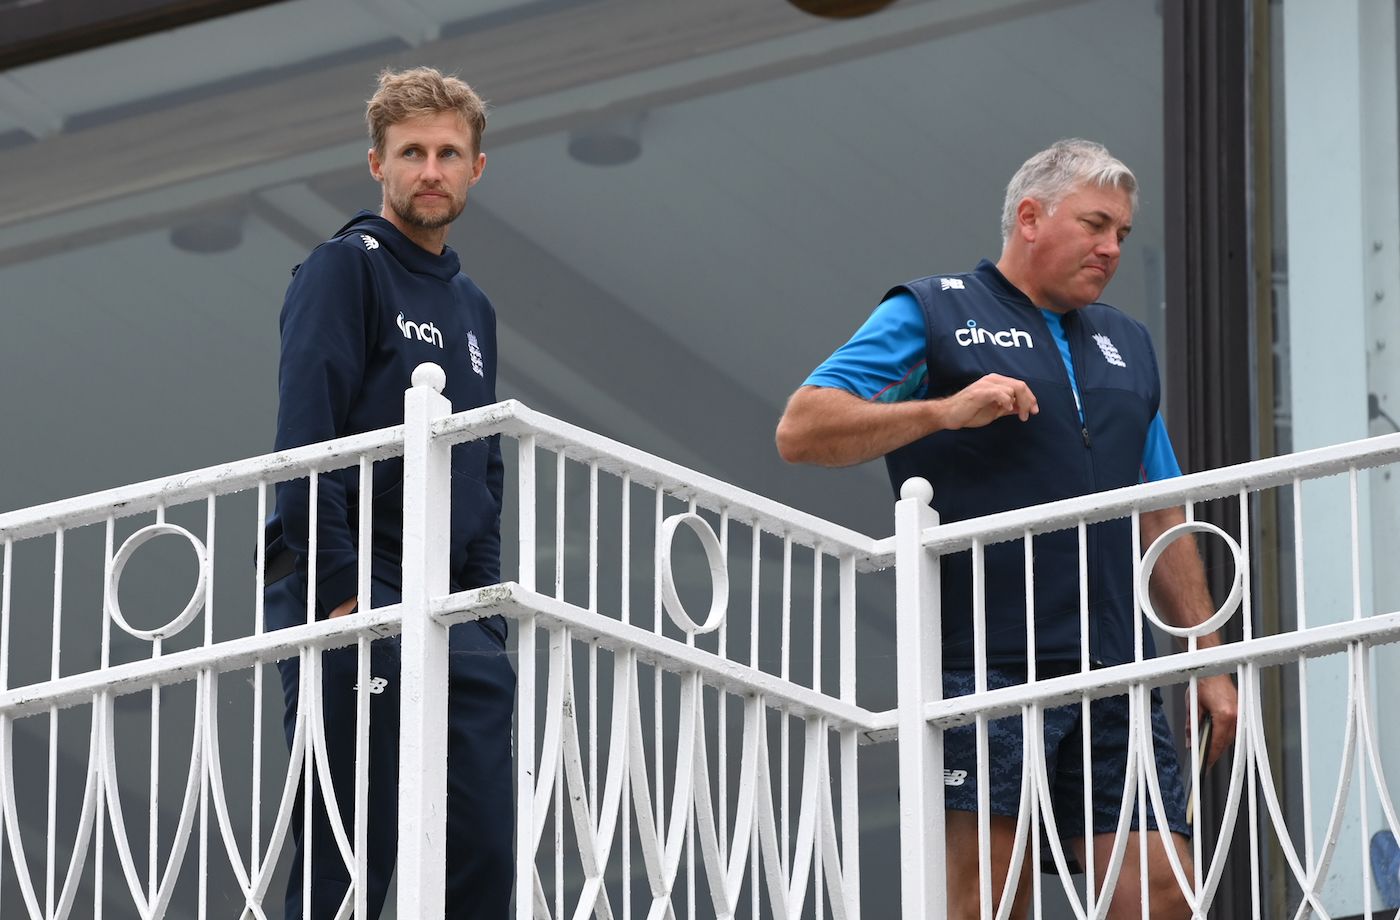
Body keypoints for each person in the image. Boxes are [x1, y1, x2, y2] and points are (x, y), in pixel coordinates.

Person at [775, 139, 1238, 919]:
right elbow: (802, 427)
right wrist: (944, 411)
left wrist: (1207, 654)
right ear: (1030, 216)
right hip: (980, 667)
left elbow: (1161, 503)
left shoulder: (1127, 343)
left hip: (1109, 668)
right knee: (991, 897)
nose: (1111, 248)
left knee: (1164, 892)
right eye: (1096, 225)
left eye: (1122, 233)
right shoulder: (936, 310)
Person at [262, 66, 513, 920]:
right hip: (353, 585)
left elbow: (485, 468)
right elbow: (307, 436)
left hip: (454, 610)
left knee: (483, 853)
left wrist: (487, 613)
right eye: (411, 152)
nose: (430, 170)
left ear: (477, 167)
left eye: (449, 153)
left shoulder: (474, 306)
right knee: (348, 853)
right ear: (378, 163)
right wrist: (337, 593)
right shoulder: (345, 266)